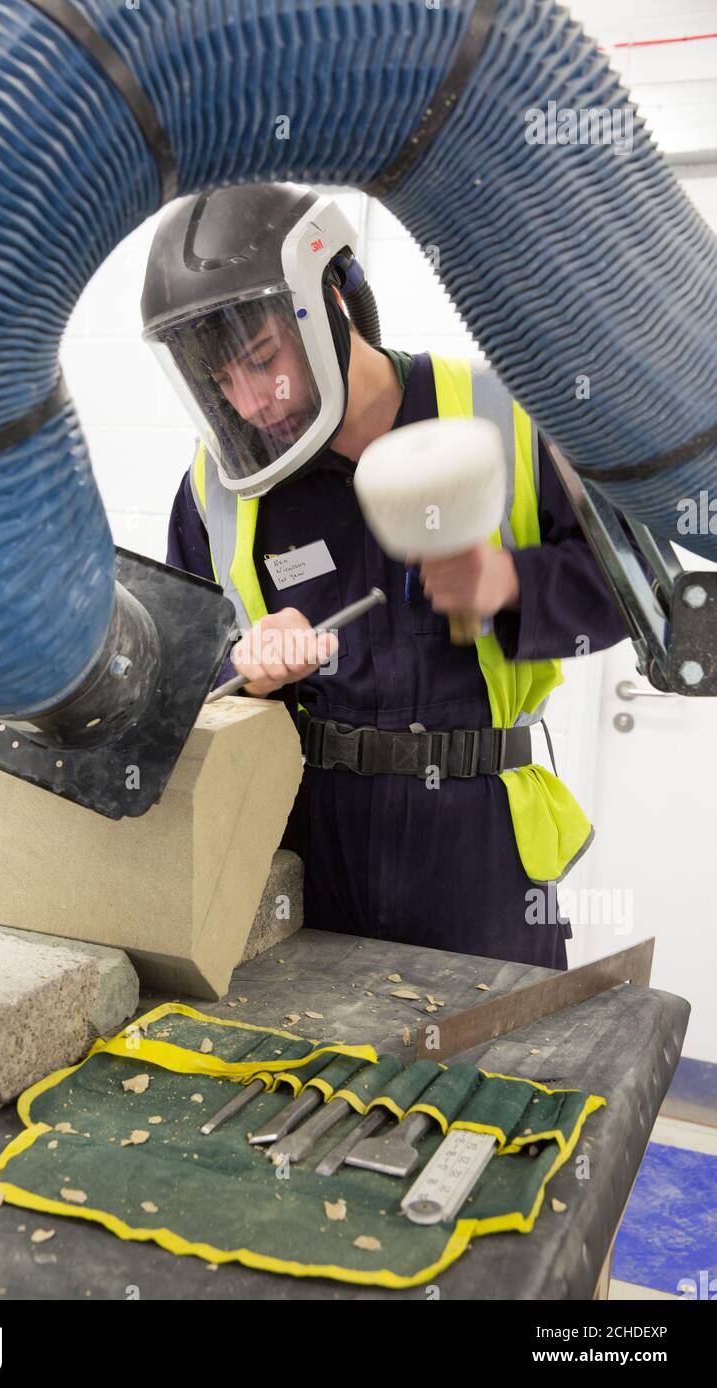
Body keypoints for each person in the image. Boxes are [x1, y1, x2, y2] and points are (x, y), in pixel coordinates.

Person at [141, 182, 633, 969]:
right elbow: (174, 665)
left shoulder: (498, 416)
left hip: (478, 839)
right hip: (308, 830)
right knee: (310, 1064)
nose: (250, 400)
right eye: (222, 381)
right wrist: (246, 664)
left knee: (488, 1069)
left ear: (333, 298)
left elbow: (627, 598)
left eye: (262, 359)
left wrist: (509, 584)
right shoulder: (221, 483)